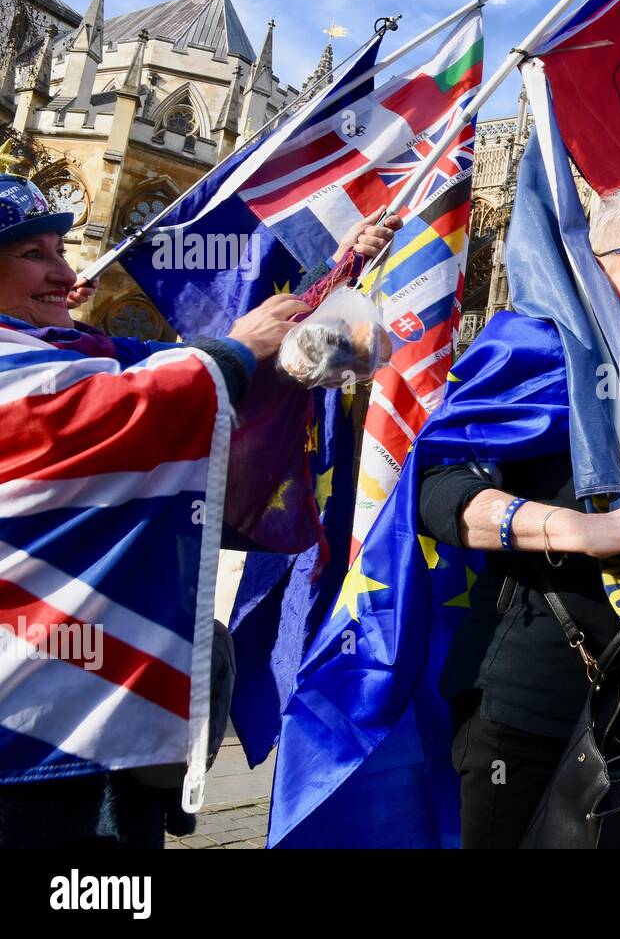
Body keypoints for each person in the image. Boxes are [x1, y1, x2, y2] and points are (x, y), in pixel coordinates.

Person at [0, 176, 396, 848]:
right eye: (35, 254)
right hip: (31, 728)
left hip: (116, 717)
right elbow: (141, 403)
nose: (66, 272)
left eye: (62, 249)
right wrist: (239, 349)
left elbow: (195, 369)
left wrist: (337, 279)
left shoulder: (75, 351)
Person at [419, 183, 620, 848]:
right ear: (598, 260)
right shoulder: (538, 350)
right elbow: (438, 492)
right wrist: (583, 530)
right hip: (532, 698)